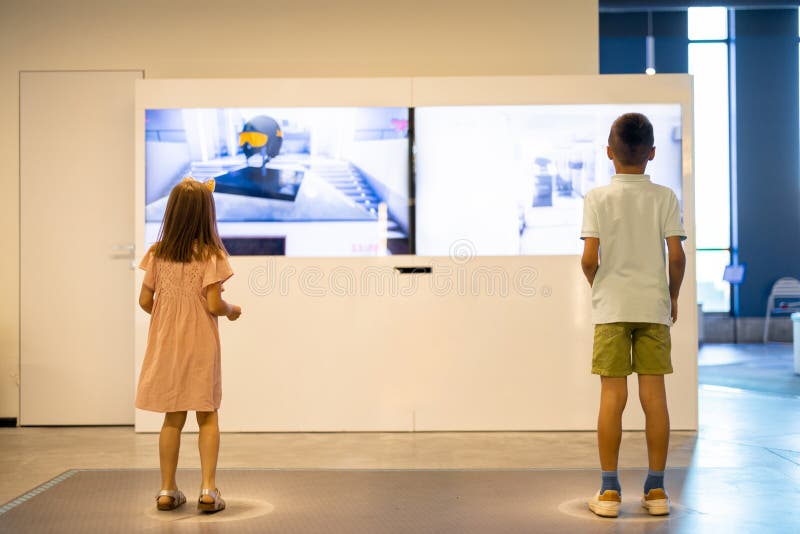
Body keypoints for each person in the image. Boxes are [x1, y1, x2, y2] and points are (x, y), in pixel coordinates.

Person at [580, 113, 686, 518]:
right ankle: (657, 491)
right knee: (654, 397)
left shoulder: (597, 197)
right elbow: (676, 256)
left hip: (612, 309)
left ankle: (609, 492)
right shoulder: (664, 196)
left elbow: (590, 257)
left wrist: (599, 286)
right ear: (653, 153)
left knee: (612, 396)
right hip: (652, 308)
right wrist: (672, 296)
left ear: (610, 153)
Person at [136, 177, 242, 513]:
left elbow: (144, 300)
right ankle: (208, 490)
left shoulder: (157, 254)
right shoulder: (211, 256)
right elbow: (214, 305)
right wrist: (232, 310)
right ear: (204, 215)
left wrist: (168, 318)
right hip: (200, 346)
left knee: (172, 418)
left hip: (166, 345)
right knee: (207, 415)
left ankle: (167, 489)